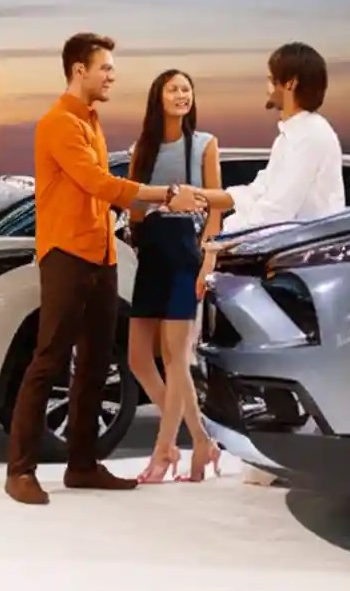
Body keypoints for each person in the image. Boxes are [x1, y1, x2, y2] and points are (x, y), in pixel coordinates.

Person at [4, 32, 205, 506]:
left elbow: (100, 191)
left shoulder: (92, 122)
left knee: (95, 364)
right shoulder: (57, 124)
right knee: (48, 360)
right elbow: (97, 183)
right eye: (106, 68)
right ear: (79, 69)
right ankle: (20, 471)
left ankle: (82, 465)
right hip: (66, 256)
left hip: (101, 255)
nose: (112, 75)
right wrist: (162, 194)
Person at [186, 41, 345, 486]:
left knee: (283, 365)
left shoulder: (312, 136)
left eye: (272, 77)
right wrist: (206, 200)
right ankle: (273, 456)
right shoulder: (293, 135)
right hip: (286, 264)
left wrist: (220, 240)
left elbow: (278, 208)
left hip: (302, 268)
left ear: (289, 82)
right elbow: (259, 190)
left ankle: (286, 459)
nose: (268, 86)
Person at [123, 69, 224, 484]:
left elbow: (216, 207)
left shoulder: (204, 145)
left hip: (186, 253)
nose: (181, 95)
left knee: (175, 358)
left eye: (186, 89)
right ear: (158, 98)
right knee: (137, 357)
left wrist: (207, 260)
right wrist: (150, 205)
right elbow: (132, 207)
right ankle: (200, 439)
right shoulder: (141, 149)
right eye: (173, 89)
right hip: (151, 255)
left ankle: (165, 450)